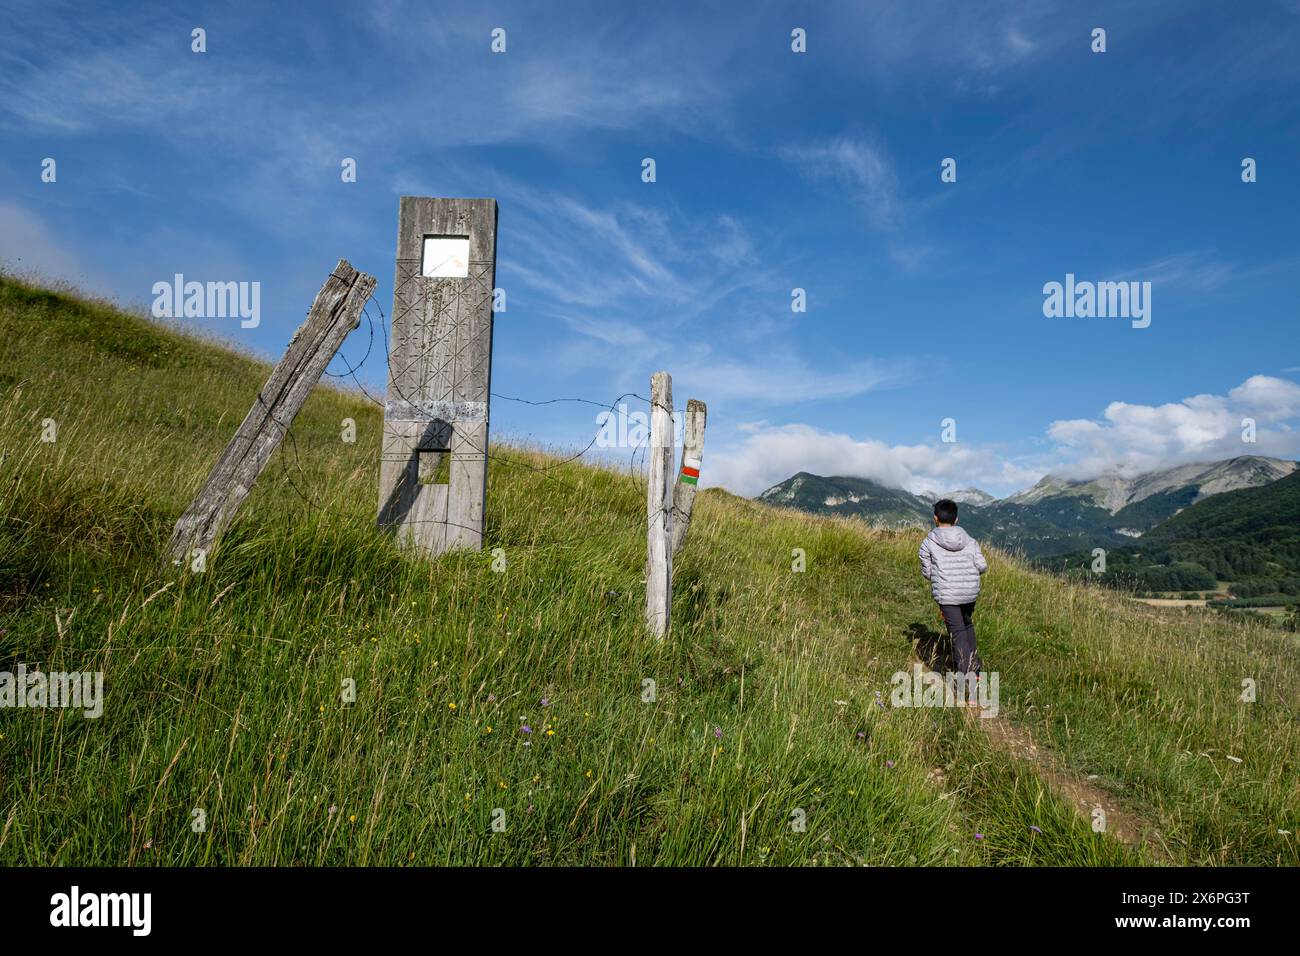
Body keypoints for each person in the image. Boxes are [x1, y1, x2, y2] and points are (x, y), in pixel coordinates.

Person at [918, 499, 988, 696]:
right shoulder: (970, 540)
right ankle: (975, 669)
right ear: (956, 519)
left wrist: (939, 577)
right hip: (969, 593)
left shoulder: (928, 542)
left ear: (935, 518)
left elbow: (927, 571)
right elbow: (982, 566)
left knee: (957, 633)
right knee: (967, 625)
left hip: (947, 594)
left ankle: (965, 681)